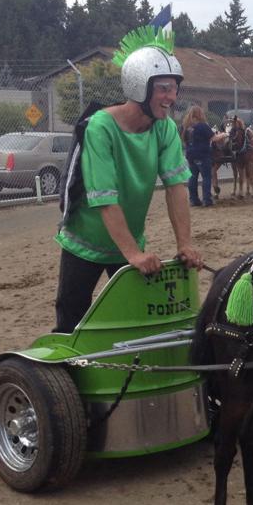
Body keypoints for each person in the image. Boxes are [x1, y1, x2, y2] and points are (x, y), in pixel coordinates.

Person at [53, 28, 204, 334]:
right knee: (71, 323)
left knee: (137, 322)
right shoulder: (101, 127)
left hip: (131, 241)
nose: (171, 97)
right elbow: (104, 197)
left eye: (174, 88)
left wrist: (184, 244)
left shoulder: (164, 128)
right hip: (85, 243)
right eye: (163, 88)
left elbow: (176, 187)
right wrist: (133, 254)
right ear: (139, 86)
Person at [181, 105, 215, 208]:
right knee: (206, 177)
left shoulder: (186, 126)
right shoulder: (202, 126)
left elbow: (184, 140)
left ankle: (193, 200)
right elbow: (213, 138)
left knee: (193, 177)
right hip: (203, 155)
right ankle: (207, 200)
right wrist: (224, 135)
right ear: (200, 114)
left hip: (191, 155)